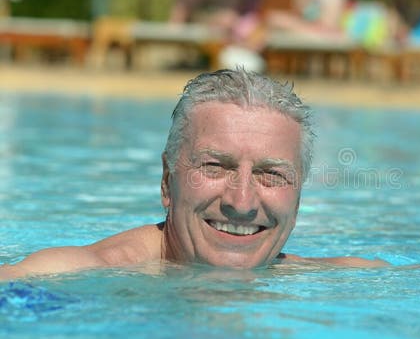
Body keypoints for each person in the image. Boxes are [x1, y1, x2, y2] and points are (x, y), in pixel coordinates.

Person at [0, 69, 389, 279]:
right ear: (167, 182)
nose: (241, 202)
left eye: (271, 174)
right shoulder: (72, 278)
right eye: (215, 167)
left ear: (299, 196)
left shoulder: (354, 282)